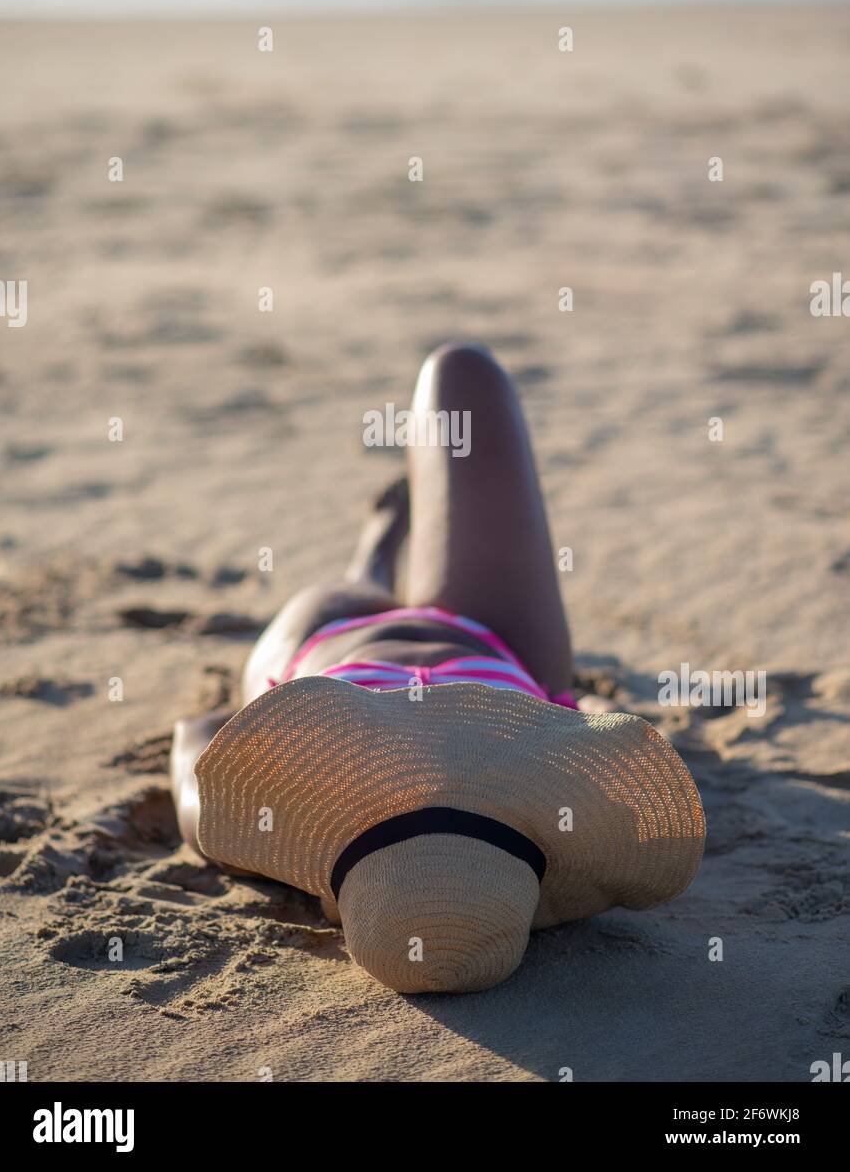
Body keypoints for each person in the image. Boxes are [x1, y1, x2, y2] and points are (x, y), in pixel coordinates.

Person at [171, 343, 705, 993]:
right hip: (499, 641)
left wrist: (272, 729)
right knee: (461, 375)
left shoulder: (245, 827)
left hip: (333, 638)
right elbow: (614, 736)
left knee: (356, 584)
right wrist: (569, 714)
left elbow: (201, 737)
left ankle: (375, 550)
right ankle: (387, 547)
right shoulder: (564, 803)